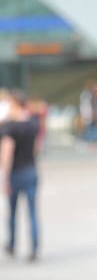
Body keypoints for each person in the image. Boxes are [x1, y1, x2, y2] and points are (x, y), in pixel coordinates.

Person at [1, 90, 41, 261]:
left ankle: (12, 244)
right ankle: (34, 248)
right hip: (31, 170)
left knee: (13, 212)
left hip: (16, 173)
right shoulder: (33, 123)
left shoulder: (9, 127)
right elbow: (37, 148)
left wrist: (4, 177)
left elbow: (7, 152)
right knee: (32, 212)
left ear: (16, 105)